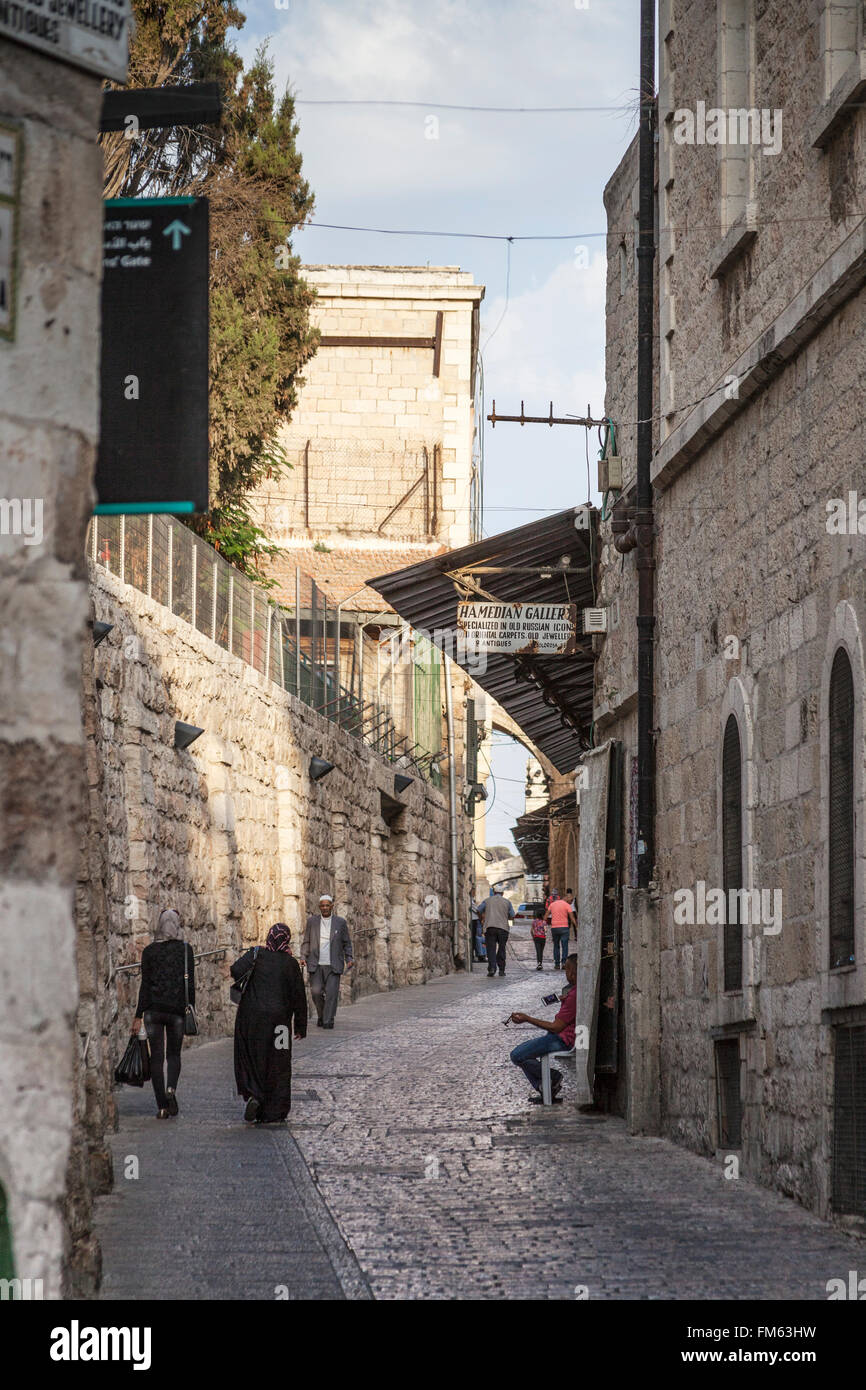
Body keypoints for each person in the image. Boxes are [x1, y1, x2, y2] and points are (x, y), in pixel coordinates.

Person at [231, 923, 307, 1124]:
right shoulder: (290, 964)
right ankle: (275, 1110)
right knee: (279, 1062)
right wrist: (300, 1026)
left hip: (252, 1020)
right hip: (280, 1024)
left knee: (254, 1057)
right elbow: (299, 996)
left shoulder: (257, 954)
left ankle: (255, 1093)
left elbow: (235, 970)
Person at [132, 908, 195, 1119]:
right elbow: (190, 984)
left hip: (153, 1012)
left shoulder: (149, 951)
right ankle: (171, 1090)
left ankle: (161, 1106)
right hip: (177, 1012)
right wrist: (191, 1008)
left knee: (156, 1057)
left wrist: (138, 1014)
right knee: (174, 1054)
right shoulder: (186, 950)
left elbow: (145, 986)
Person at [508, 954, 578, 1103]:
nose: (565, 973)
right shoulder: (575, 992)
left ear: (572, 973)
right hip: (563, 1036)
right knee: (523, 1055)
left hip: (562, 1039)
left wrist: (527, 1019)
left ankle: (552, 1077)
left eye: (566, 970)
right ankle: (544, 1088)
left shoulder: (574, 996)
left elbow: (556, 1027)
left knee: (517, 1055)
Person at [301, 894, 354, 1028]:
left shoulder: (340, 923)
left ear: (332, 906)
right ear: (319, 907)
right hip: (316, 964)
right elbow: (306, 941)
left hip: (333, 964)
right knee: (316, 992)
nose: (325, 908)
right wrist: (303, 957)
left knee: (331, 993)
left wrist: (349, 958)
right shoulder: (312, 922)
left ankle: (328, 1020)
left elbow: (346, 943)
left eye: (327, 905)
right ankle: (321, 1015)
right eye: (322, 906)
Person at [477, 887, 515, 977]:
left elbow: (478, 910)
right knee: (502, 948)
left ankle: (492, 968)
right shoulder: (507, 902)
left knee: (491, 949)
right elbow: (512, 915)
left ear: (494, 892)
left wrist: (482, 918)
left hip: (490, 927)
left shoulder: (487, 901)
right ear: (502, 893)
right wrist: (506, 917)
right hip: (503, 928)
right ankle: (501, 970)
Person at [545, 891, 576, 970]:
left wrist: (542, 924)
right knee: (565, 946)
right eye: (571, 900)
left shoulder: (552, 904)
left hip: (554, 928)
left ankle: (557, 964)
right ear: (567, 897)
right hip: (564, 928)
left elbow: (546, 915)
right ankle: (564, 963)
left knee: (556, 946)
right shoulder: (567, 905)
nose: (572, 902)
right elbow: (572, 918)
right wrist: (577, 926)